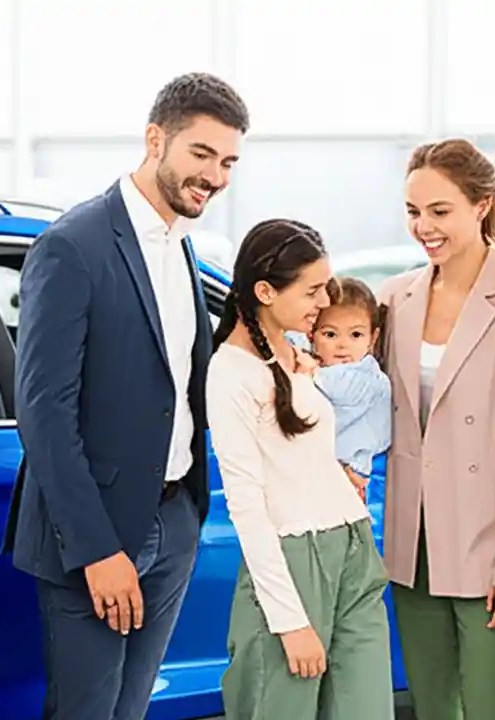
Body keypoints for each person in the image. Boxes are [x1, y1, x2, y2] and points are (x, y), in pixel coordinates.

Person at [1, 72, 248, 720]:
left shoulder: (181, 248)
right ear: (154, 139)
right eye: (202, 154)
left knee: (132, 711)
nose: (215, 176)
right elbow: (44, 411)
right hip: (100, 537)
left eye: (227, 162)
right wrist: (97, 550)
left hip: (173, 521)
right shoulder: (72, 245)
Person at [378, 138, 495, 720]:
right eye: (412, 212)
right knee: (432, 706)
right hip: (414, 543)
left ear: (482, 206)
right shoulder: (392, 299)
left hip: (489, 544)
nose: (423, 227)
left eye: (439, 211)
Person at [208, 219, 394, 719]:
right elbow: (246, 507)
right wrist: (289, 621)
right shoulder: (230, 372)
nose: (322, 303)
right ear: (265, 291)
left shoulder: (305, 357)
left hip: (352, 548)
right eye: (312, 291)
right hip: (292, 562)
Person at [307, 275, 392, 503]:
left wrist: (305, 368)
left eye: (355, 334)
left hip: (354, 473)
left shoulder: (366, 377)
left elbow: (340, 386)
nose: (343, 345)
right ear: (311, 336)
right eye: (330, 334)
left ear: (372, 338)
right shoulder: (323, 369)